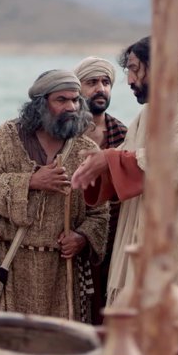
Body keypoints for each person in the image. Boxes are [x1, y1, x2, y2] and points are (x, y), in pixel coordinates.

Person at [71, 37, 178, 324]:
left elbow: (177, 165)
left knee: (174, 320)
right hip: (143, 234)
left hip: (177, 236)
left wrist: (108, 160)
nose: (129, 80)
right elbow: (129, 155)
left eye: (134, 69)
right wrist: (97, 168)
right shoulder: (151, 111)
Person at [0, 69, 109, 321]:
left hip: (61, 274)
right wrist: (31, 181)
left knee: (55, 347)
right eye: (61, 100)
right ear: (40, 104)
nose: (71, 107)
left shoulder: (86, 150)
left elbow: (99, 211)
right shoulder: (7, 137)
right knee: (5, 347)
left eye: (76, 100)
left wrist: (82, 237)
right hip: (8, 265)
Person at [74, 56, 128, 324]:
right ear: (78, 89)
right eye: (92, 82)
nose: (100, 89)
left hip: (117, 241)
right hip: (73, 242)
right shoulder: (66, 134)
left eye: (106, 82)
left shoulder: (125, 134)